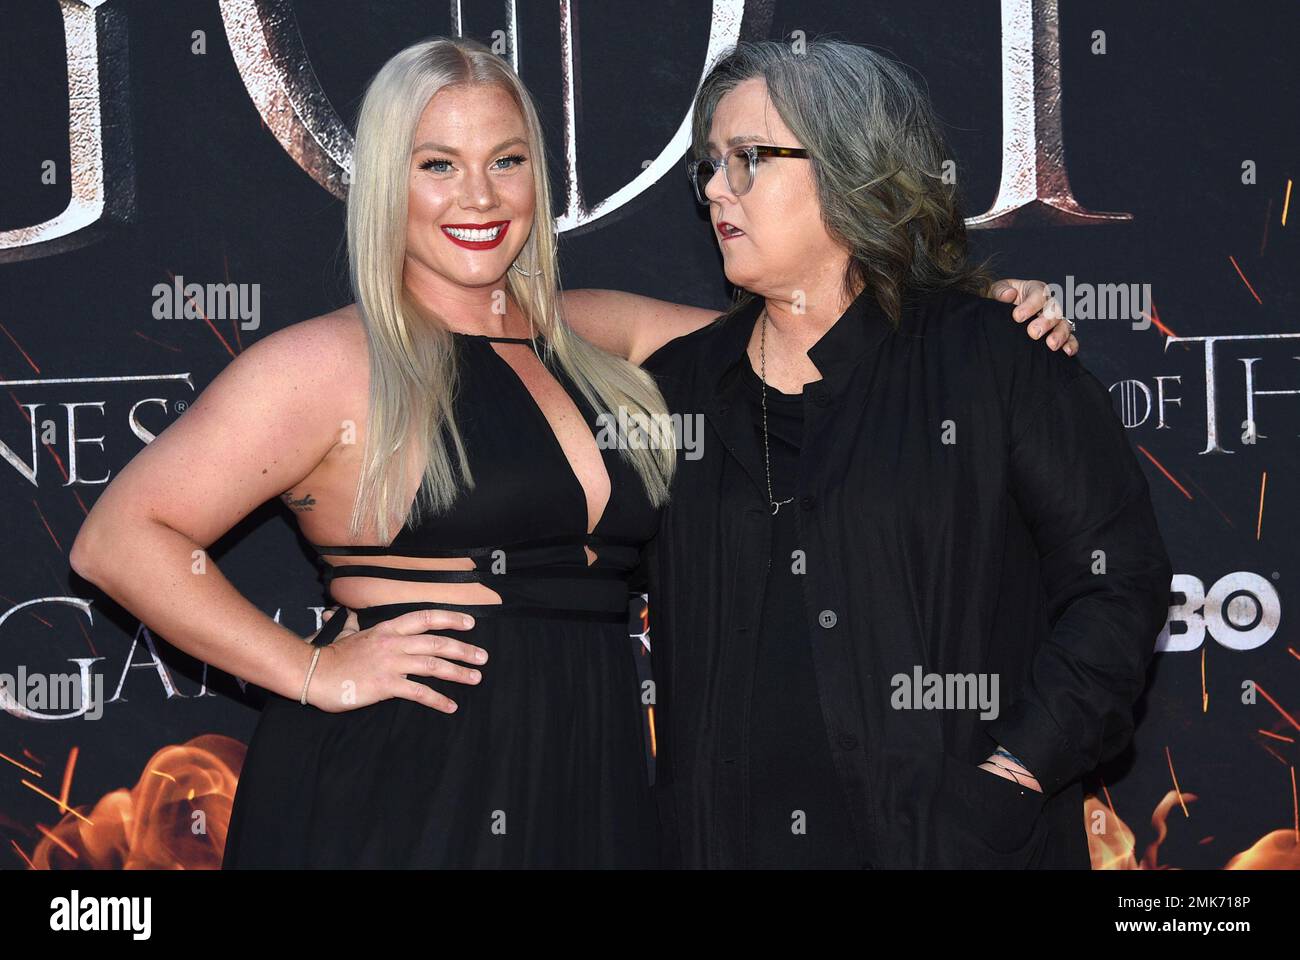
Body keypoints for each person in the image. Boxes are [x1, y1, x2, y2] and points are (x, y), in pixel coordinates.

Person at [68, 37, 1075, 868]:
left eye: (506, 160)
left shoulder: (594, 332)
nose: (479, 195)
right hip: (404, 784)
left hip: (592, 774)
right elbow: (121, 537)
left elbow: (825, 328)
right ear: (387, 181)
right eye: (437, 164)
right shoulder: (330, 365)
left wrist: (977, 312)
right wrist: (312, 671)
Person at [633, 39, 1173, 868]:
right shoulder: (677, 391)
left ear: (853, 169)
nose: (713, 188)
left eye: (747, 160)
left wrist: (1013, 775)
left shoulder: (996, 359)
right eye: (708, 165)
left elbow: (1117, 590)